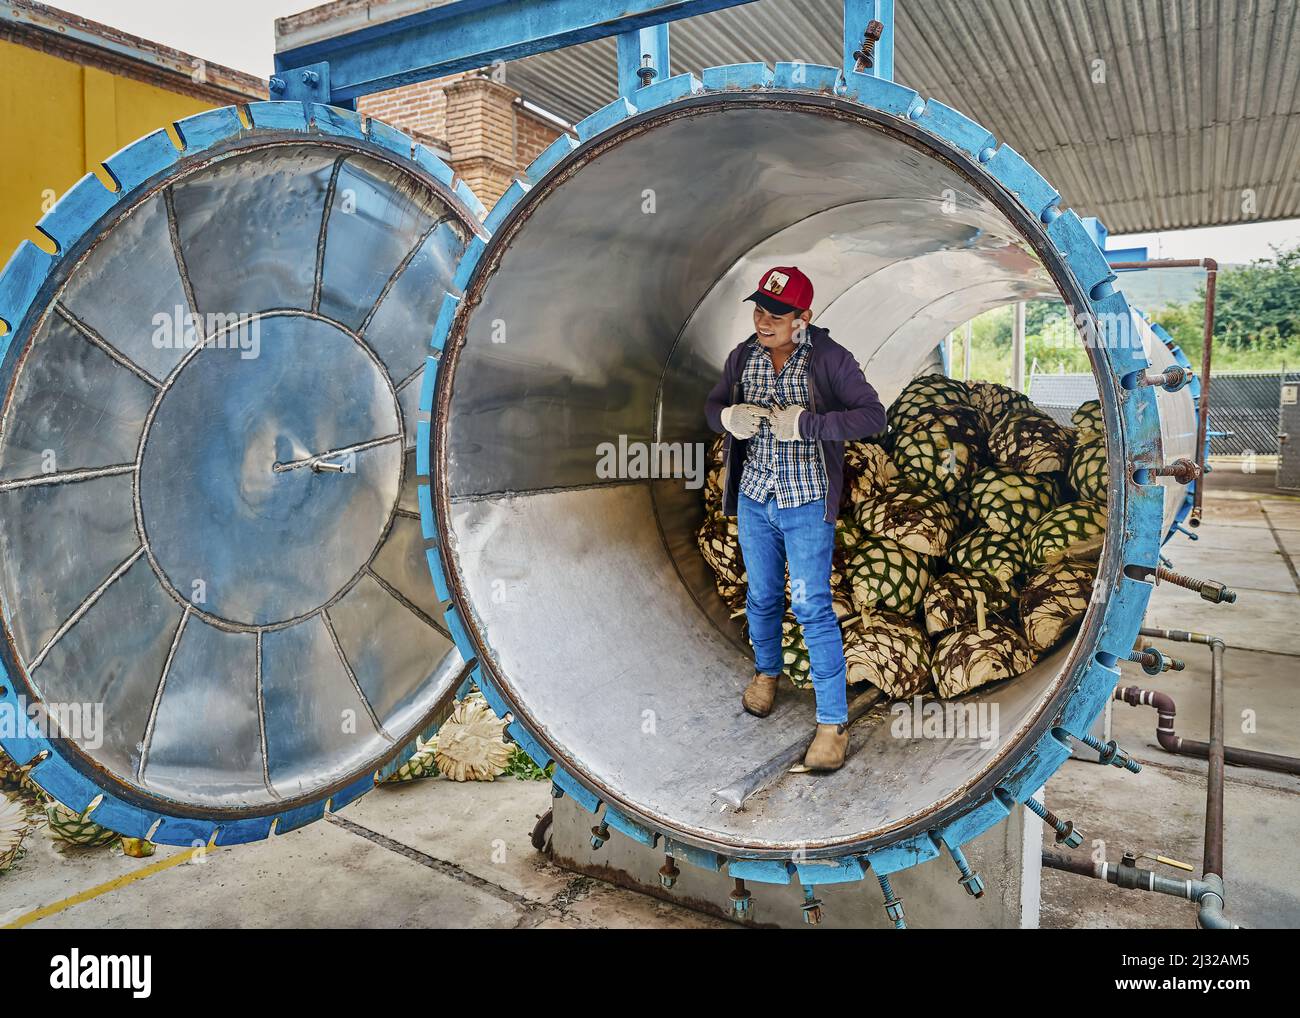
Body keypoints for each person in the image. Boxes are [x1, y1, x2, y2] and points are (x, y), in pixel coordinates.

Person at [704, 266, 886, 771]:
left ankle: (832, 723)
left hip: (806, 503)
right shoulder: (743, 356)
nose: (764, 320)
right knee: (761, 595)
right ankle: (766, 674)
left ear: (803, 318)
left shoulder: (830, 360)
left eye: (777, 314)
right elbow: (713, 403)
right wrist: (727, 418)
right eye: (760, 309)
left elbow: (873, 416)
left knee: (810, 606)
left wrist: (810, 424)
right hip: (755, 497)